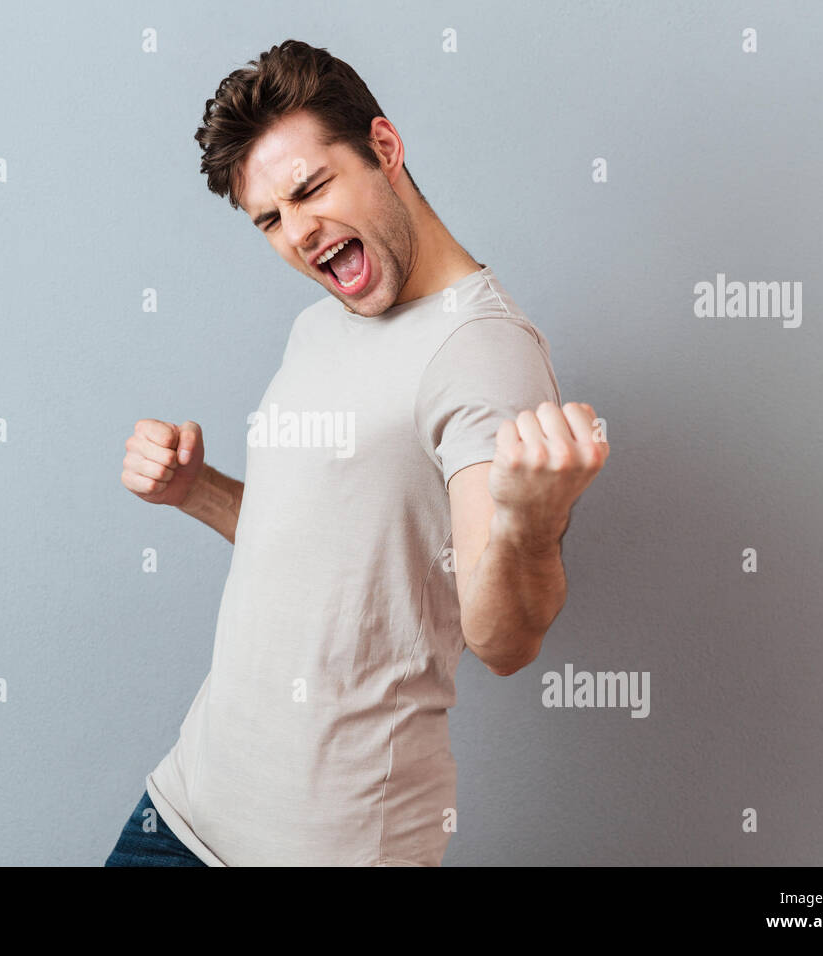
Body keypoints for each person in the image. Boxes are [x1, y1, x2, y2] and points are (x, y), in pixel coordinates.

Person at [106, 39, 608, 867]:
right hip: (185, 807)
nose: (300, 233)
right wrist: (197, 491)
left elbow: (505, 642)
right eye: (270, 219)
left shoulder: (481, 351)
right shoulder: (325, 322)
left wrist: (530, 518)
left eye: (311, 189)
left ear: (384, 147)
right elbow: (333, 555)